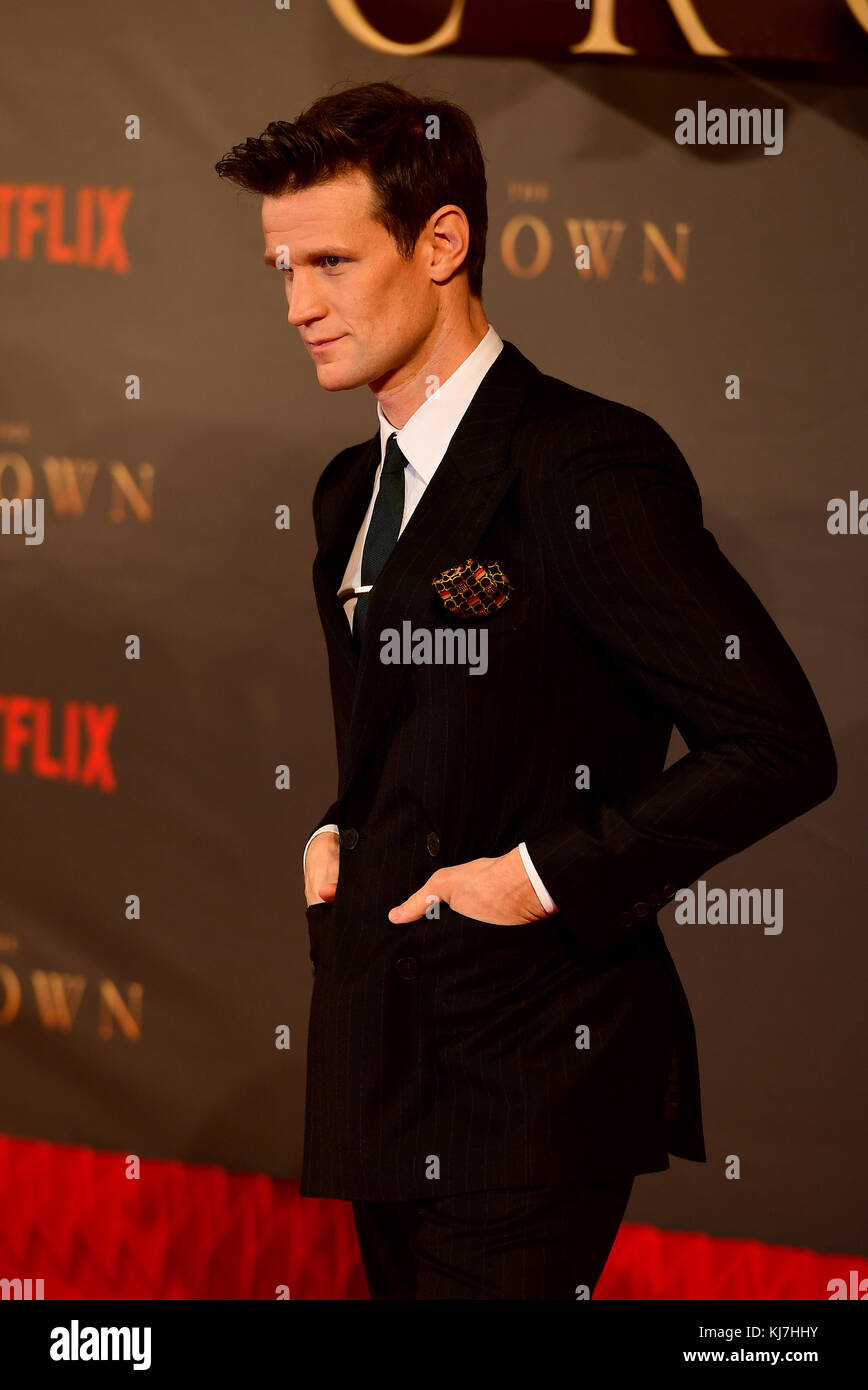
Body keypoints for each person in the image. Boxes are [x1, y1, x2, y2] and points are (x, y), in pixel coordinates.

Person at [216, 81, 837, 1300]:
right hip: (379, 1060)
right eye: (281, 267)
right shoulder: (349, 489)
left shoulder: (581, 461)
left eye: (331, 261)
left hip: (528, 1075)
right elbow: (412, 731)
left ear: (440, 243)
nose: (297, 305)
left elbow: (775, 741)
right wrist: (341, 828)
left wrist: (538, 877)